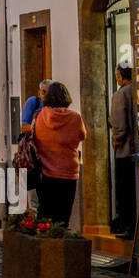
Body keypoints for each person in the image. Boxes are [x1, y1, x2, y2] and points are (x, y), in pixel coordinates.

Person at [33, 81, 86, 225]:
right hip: (68, 173)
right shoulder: (75, 118)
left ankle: (45, 245)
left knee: (45, 215)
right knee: (63, 216)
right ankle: (61, 244)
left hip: (46, 173)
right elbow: (82, 136)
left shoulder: (40, 116)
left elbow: (35, 139)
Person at [109, 63, 138, 237]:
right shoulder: (136, 91)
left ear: (120, 76)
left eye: (116, 74)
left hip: (124, 151)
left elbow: (119, 125)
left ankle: (126, 225)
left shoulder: (120, 95)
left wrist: (115, 140)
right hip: (136, 150)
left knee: (124, 190)